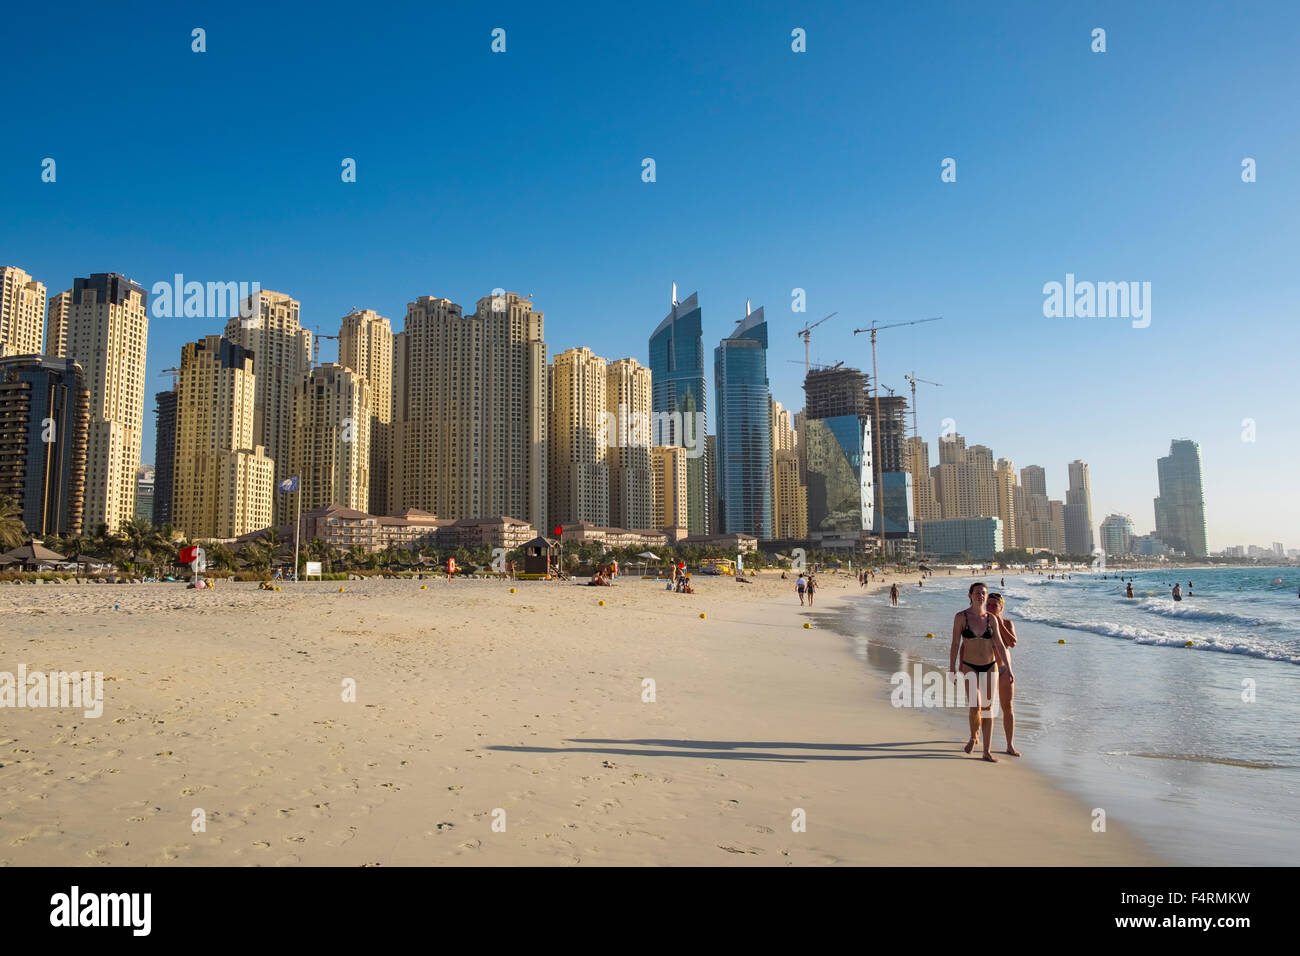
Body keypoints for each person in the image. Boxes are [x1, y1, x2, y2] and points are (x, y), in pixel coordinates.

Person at [949, 582, 1013, 762]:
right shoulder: (961, 617)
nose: (981, 596)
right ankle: (972, 736)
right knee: (975, 707)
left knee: (987, 709)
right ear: (970, 595)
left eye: (983, 593)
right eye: (977, 593)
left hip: (990, 666)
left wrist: (1008, 668)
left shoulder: (991, 618)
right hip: (970, 666)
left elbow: (1000, 645)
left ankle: (986, 751)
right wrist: (951, 668)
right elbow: (955, 644)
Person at [986, 593, 1021, 757]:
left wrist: (999, 622)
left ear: (1001, 607)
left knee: (1008, 707)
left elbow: (1012, 642)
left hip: (1005, 670)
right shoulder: (982, 621)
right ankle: (978, 736)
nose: (990, 607)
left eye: (994, 605)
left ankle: (1010, 745)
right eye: (989, 604)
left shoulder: (1007, 622)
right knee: (985, 707)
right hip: (987, 668)